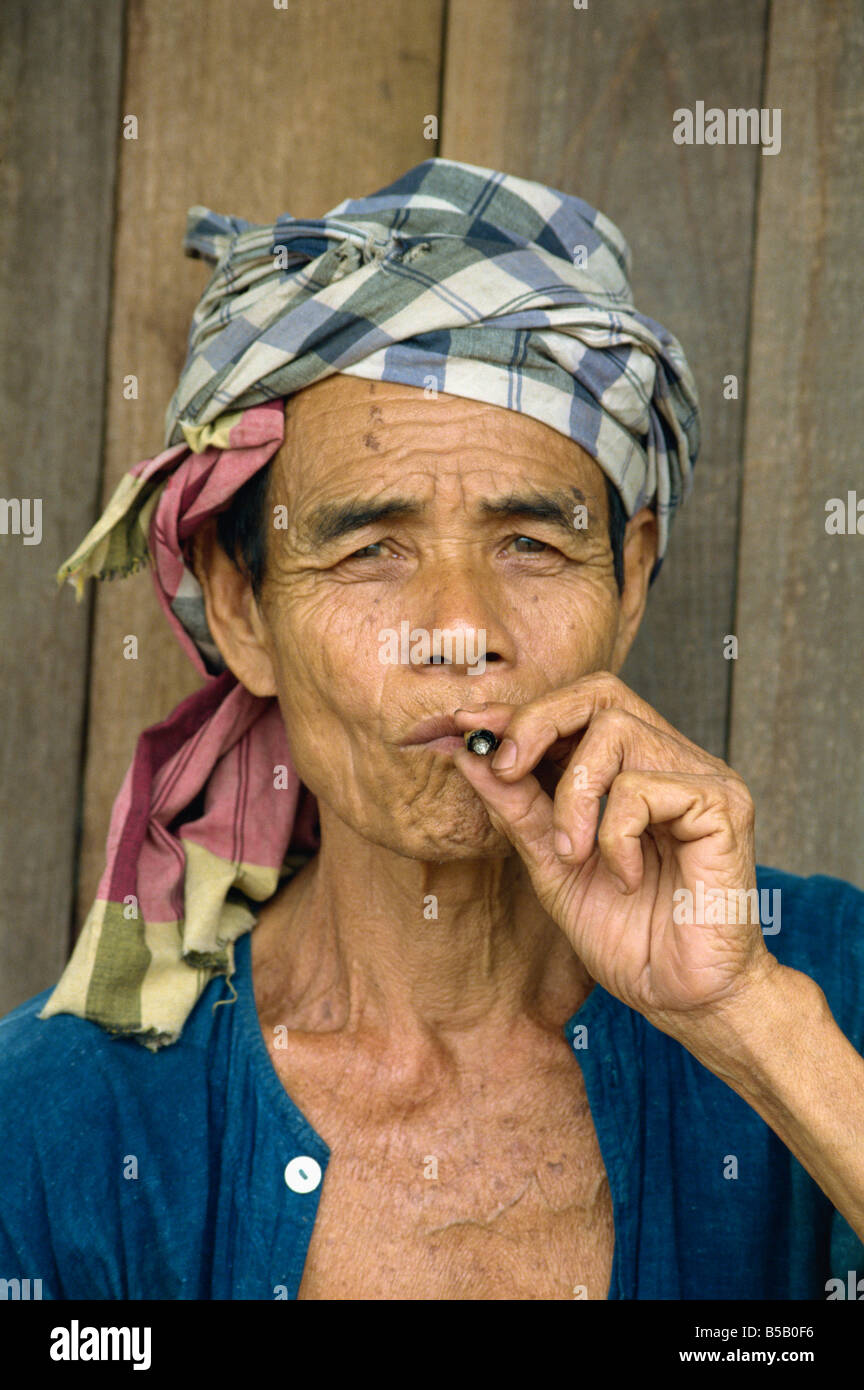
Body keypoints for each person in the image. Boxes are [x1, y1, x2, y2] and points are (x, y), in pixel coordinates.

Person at [1, 158, 862, 1302]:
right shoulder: (62, 1126)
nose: (460, 630)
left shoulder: (825, 989)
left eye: (532, 544)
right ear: (244, 608)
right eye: (370, 549)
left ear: (632, 580)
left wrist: (749, 1019)